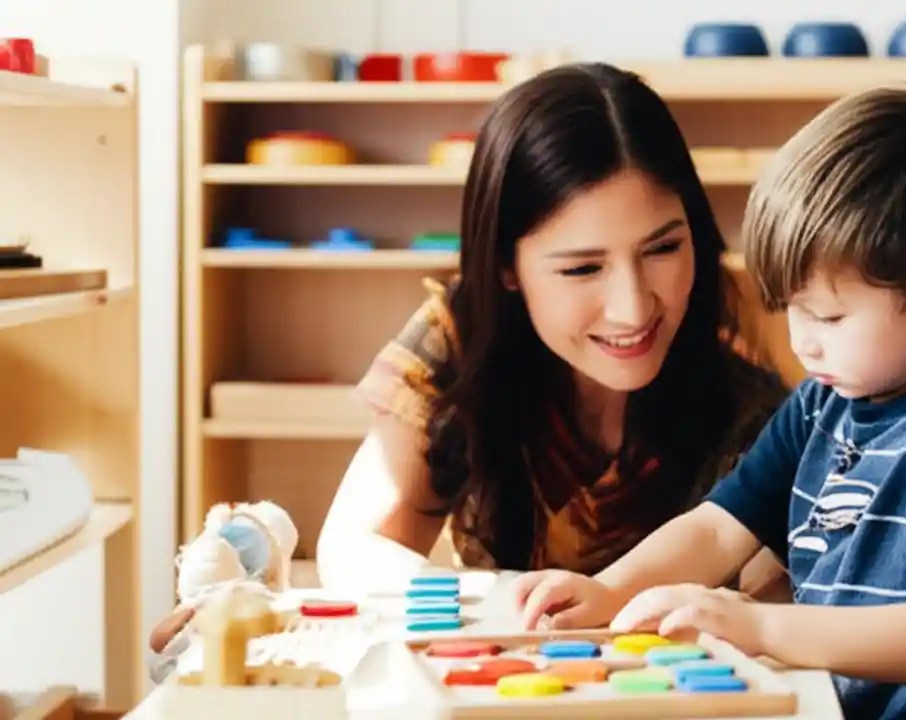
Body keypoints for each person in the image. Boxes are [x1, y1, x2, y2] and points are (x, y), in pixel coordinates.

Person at [148, 62, 791, 658]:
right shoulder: (462, 337)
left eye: (663, 249)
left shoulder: (749, 359)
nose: (633, 307)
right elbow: (356, 545)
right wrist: (503, 599)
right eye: (582, 267)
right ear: (507, 268)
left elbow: (785, 597)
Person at [513, 87, 906, 719]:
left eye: (828, 315)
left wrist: (762, 628)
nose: (802, 342)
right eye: (791, 311)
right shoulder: (823, 402)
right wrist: (608, 590)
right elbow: (720, 527)